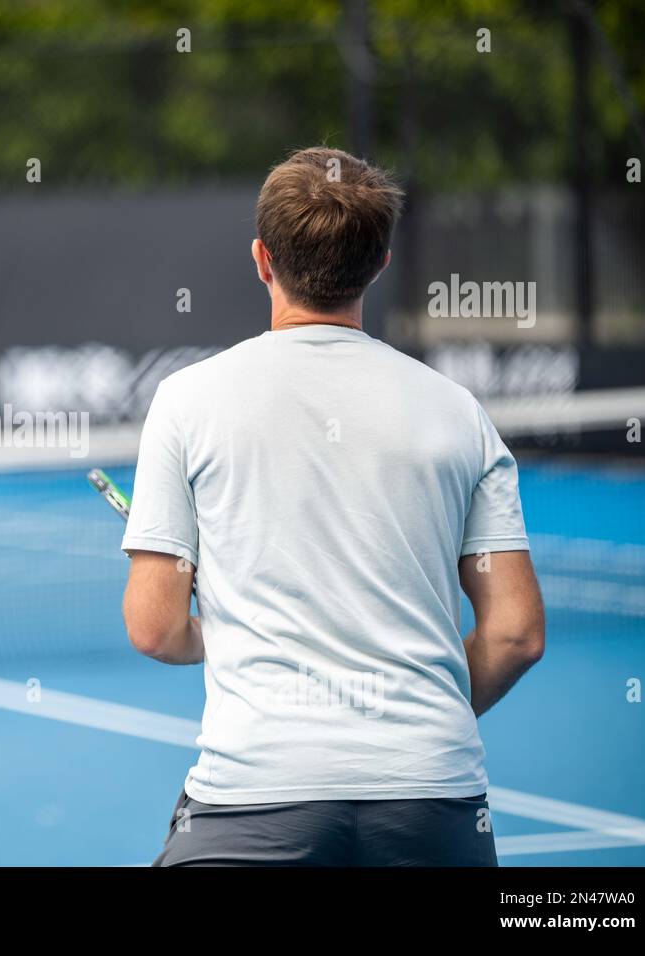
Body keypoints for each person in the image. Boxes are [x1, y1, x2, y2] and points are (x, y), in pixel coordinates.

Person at [121, 147, 545, 866]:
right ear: (379, 262)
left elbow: (156, 630)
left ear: (262, 259)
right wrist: (417, 713)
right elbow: (514, 634)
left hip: (252, 798)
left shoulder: (187, 400)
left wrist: (213, 628)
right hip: (434, 799)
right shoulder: (457, 412)